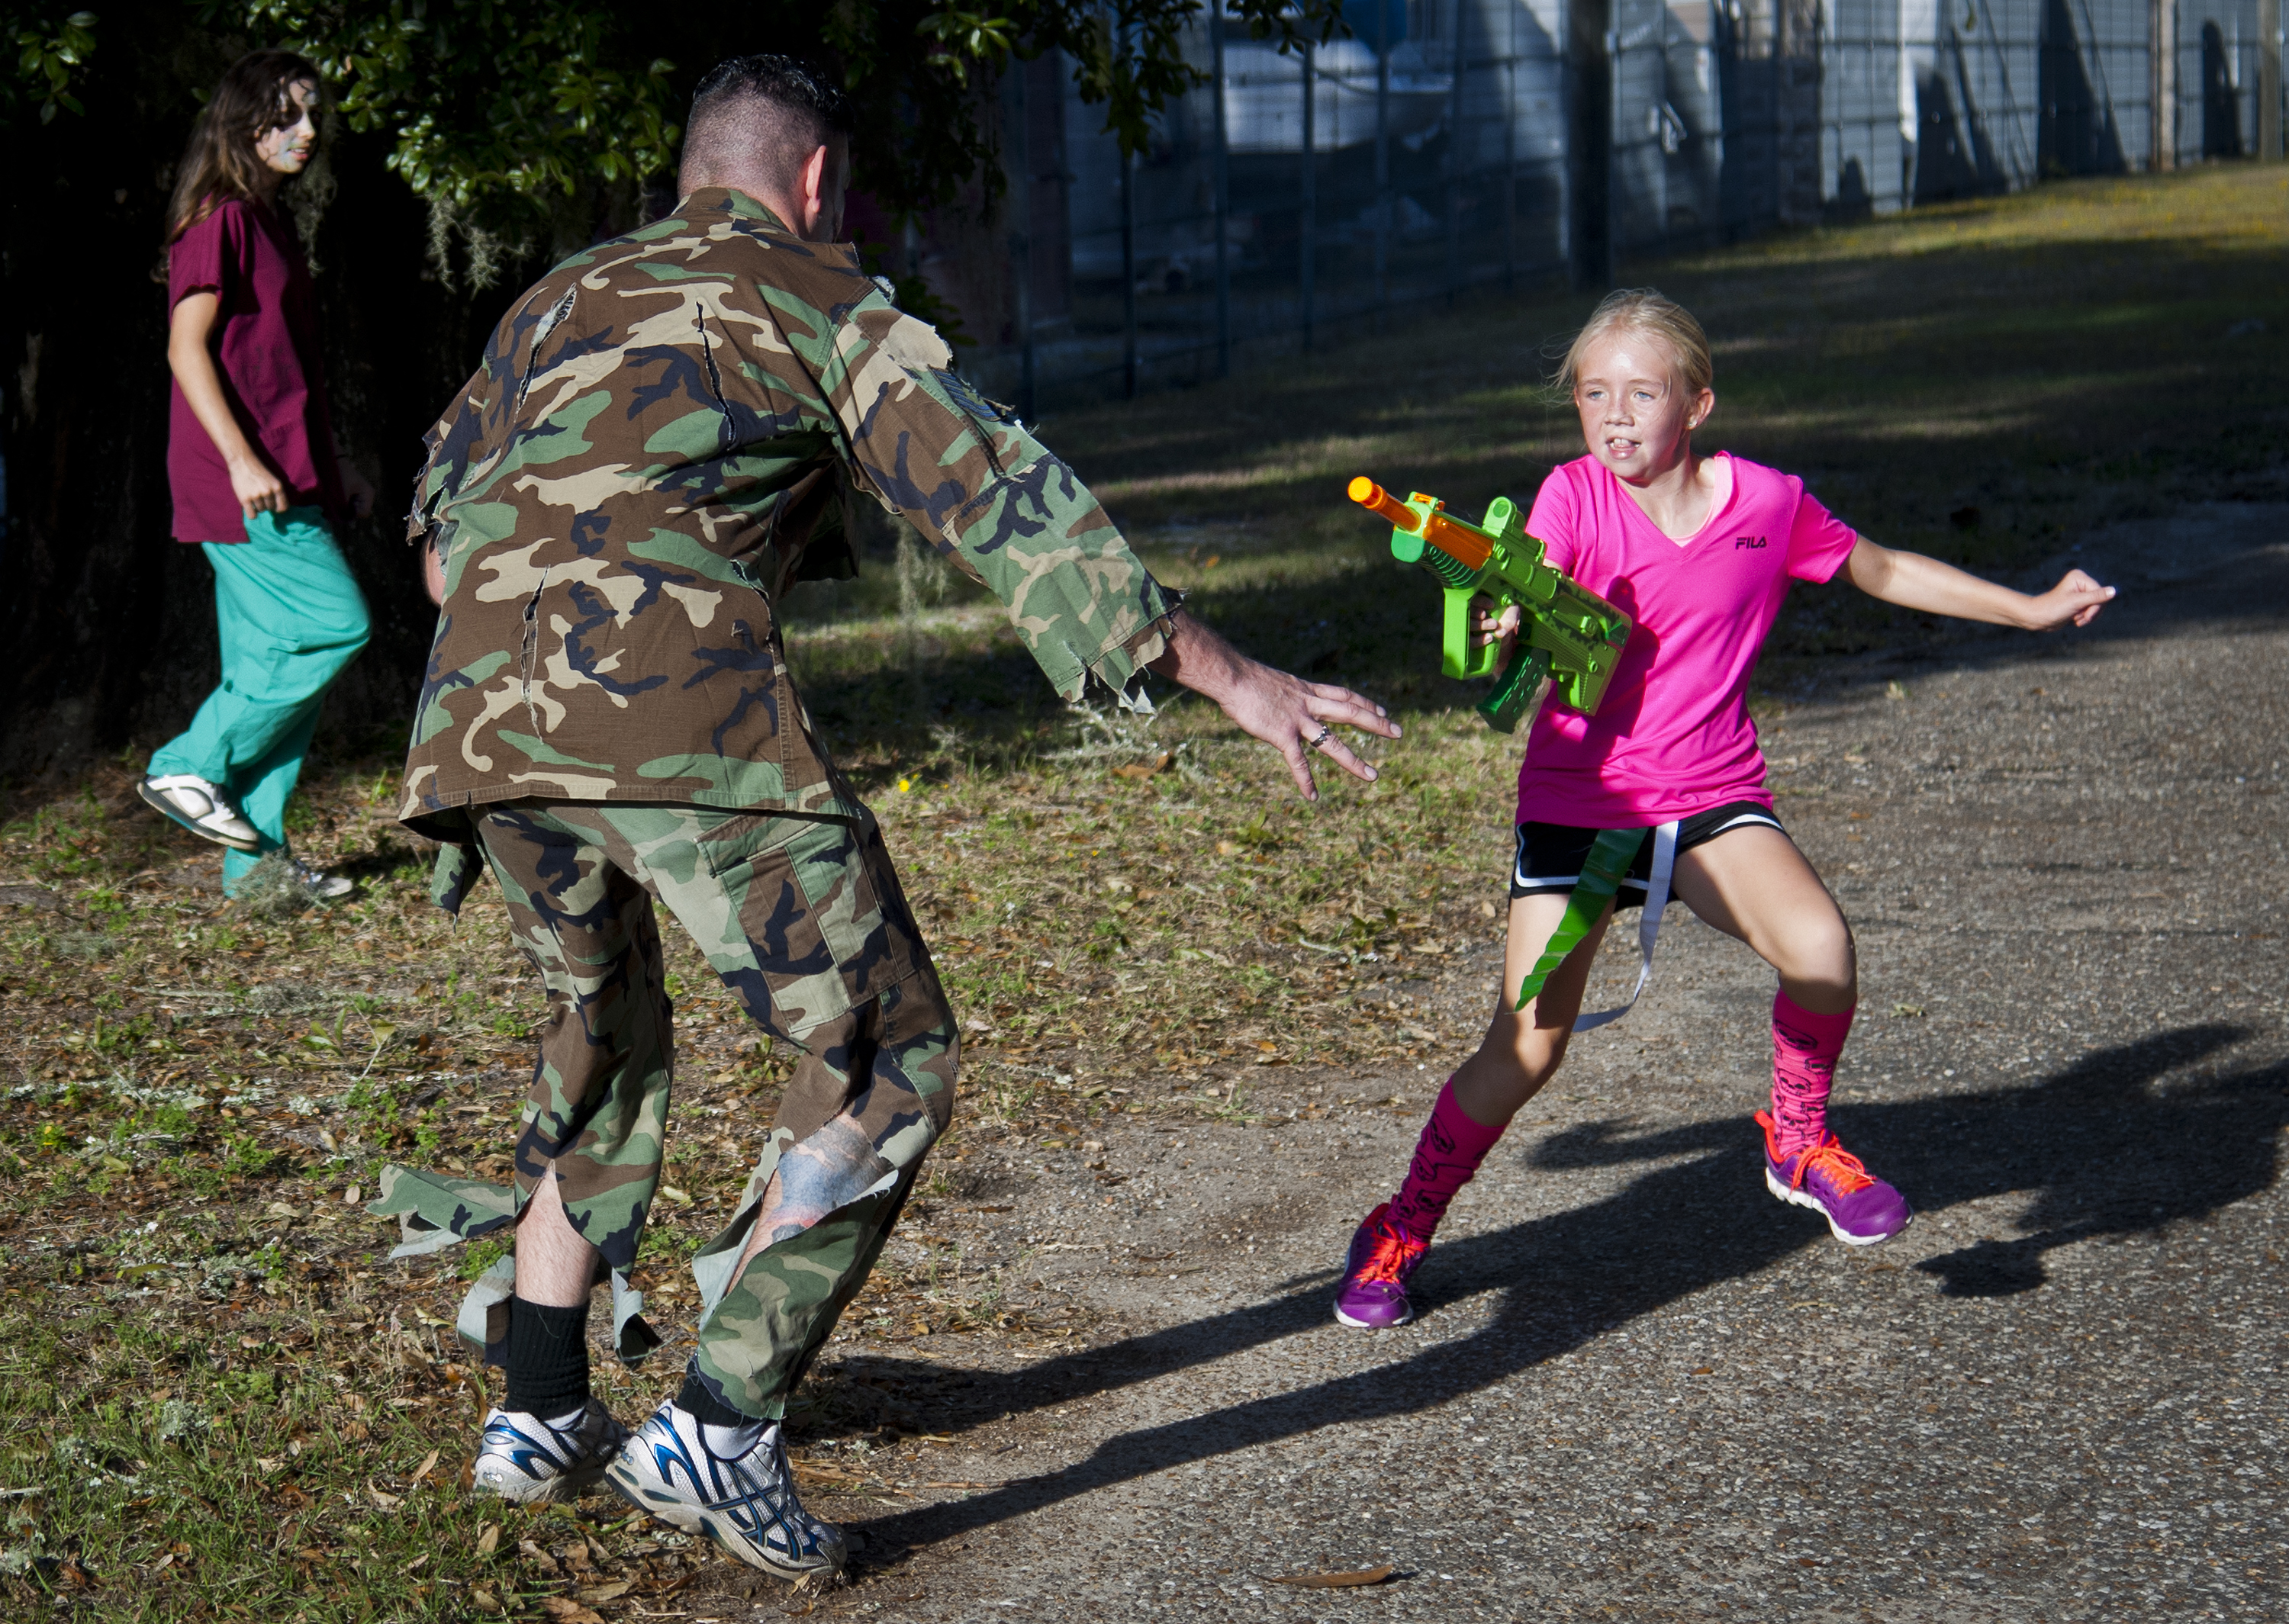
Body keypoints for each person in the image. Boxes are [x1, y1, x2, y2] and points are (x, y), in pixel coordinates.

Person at [372, 55, 1399, 1580]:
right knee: (888, 1051)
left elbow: (440, 540)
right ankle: (719, 1423)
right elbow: (998, 495)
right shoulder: (816, 293)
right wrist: (1235, 677)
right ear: (813, 181)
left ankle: (536, 1406)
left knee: (604, 1029)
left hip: (474, 726)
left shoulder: (552, 299)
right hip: (672, 713)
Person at [1332, 288, 2117, 1330]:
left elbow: (1881, 567)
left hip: (1711, 792)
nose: (1614, 415)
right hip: (1580, 806)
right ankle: (1401, 1223)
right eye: (1592, 393)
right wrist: (1506, 617)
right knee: (1525, 1048)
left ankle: (1798, 1139)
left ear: (1698, 403)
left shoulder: (1768, 505)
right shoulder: (1572, 494)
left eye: (1641, 392)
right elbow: (1532, 575)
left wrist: (2029, 607)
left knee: (1821, 949)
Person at [137, 50, 374, 902]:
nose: (306, 131)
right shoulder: (222, 219)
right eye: (285, 115)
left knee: (268, 668)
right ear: (241, 124)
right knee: (335, 625)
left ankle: (257, 869)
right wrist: (241, 460)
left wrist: (335, 459)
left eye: (313, 114)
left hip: (288, 470)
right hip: (241, 479)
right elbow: (185, 348)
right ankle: (188, 763)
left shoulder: (270, 222)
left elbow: (283, 364)